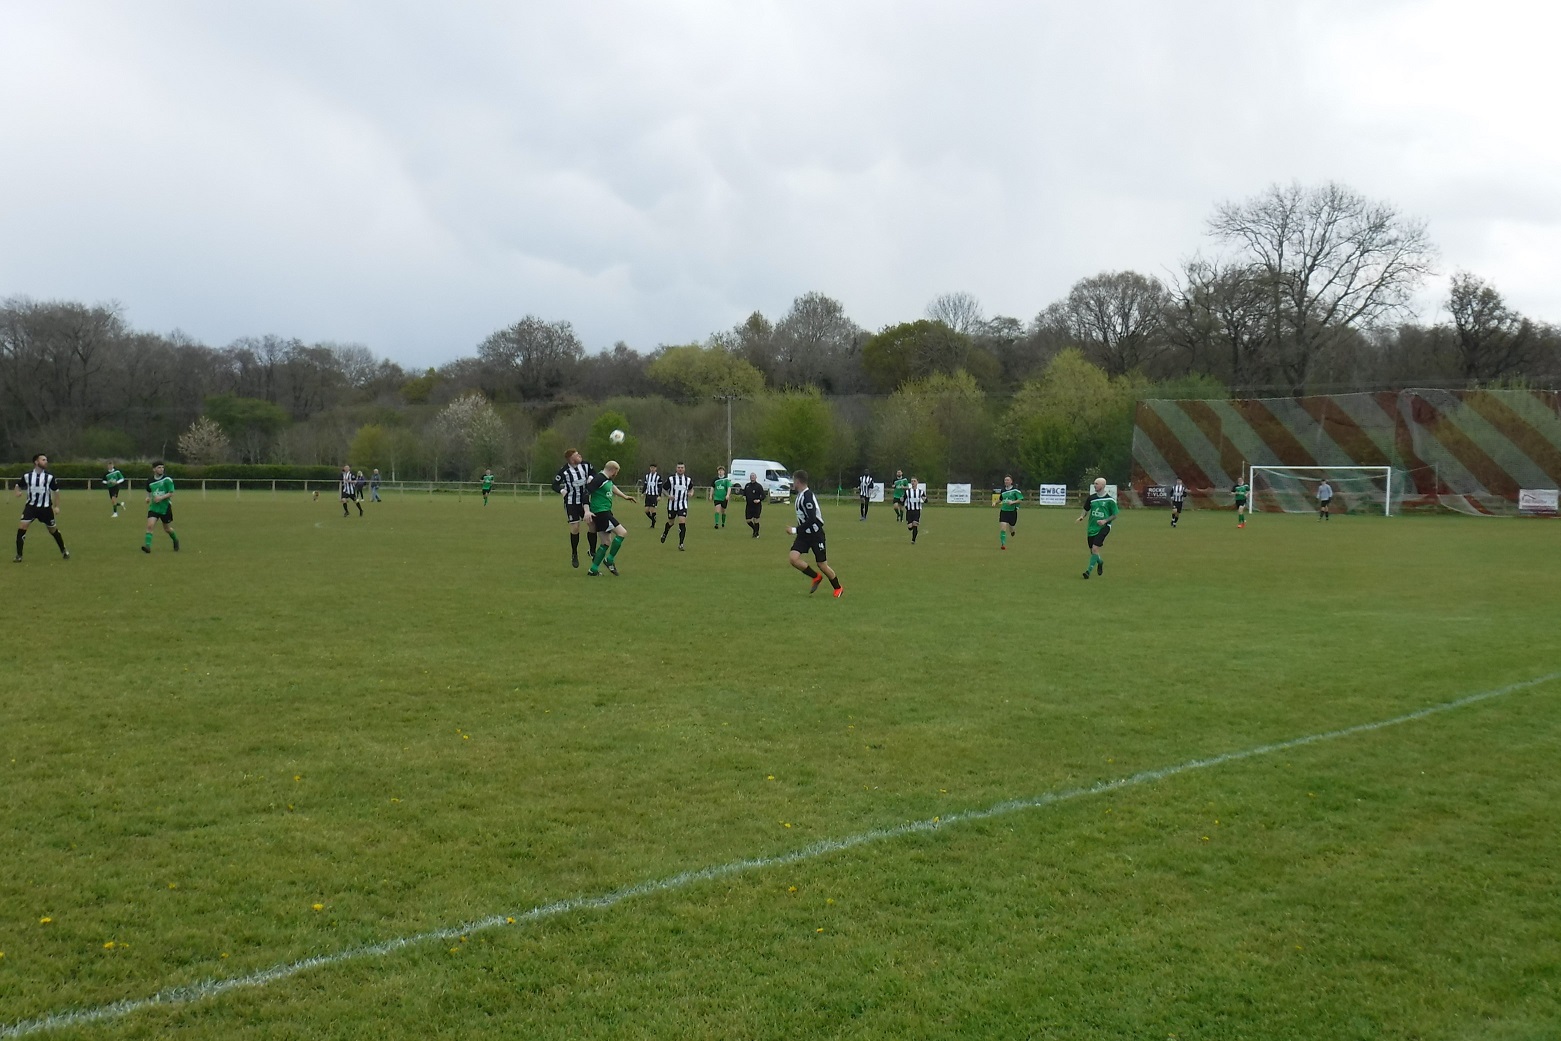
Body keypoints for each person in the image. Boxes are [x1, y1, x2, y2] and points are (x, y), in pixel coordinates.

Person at [787, 470, 842, 596]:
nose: (792, 482)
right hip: (804, 535)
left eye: (793, 480)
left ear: (798, 481)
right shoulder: (800, 495)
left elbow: (813, 519)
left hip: (816, 535)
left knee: (822, 564)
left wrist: (795, 530)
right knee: (793, 558)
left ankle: (838, 587)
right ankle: (816, 577)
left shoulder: (807, 497)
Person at [581, 460, 637, 576]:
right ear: (613, 470)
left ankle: (593, 569)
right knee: (622, 532)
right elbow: (585, 494)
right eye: (616, 472)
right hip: (601, 513)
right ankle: (609, 560)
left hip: (604, 512)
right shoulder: (598, 479)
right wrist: (587, 511)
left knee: (606, 542)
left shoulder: (606, 479)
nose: (616, 475)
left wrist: (625, 496)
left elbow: (612, 487)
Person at [14, 453, 69, 562]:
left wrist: (57, 506)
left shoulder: (49, 477)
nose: (46, 461)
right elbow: (18, 485)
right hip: (31, 507)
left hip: (46, 509)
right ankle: (19, 556)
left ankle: (63, 550)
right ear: (36, 462)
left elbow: (56, 492)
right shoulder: (27, 476)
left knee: (52, 530)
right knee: (22, 528)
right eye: (43, 460)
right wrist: (17, 492)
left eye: (46, 460)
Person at [551, 448, 596, 568]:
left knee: (592, 525)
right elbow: (554, 484)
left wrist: (591, 478)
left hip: (585, 501)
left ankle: (592, 550)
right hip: (571, 502)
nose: (580, 456)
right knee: (575, 527)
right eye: (577, 455)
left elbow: (594, 473)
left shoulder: (586, 465)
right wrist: (562, 490)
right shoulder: (564, 471)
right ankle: (574, 553)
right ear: (571, 459)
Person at [1076, 477, 1118, 579]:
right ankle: (1100, 562)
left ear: (1103, 486)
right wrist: (1082, 516)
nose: (1095, 485)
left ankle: (1088, 572)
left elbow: (1115, 515)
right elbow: (1086, 509)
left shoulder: (1110, 500)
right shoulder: (1091, 498)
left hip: (1104, 527)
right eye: (1094, 483)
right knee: (1093, 551)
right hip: (1091, 528)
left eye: (1097, 484)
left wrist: (1105, 521)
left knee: (1095, 548)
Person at [142, 460, 180, 554]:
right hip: (154, 507)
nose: (161, 469)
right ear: (154, 469)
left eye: (162, 467)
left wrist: (161, 498)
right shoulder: (150, 481)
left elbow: (171, 493)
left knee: (167, 529)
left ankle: (175, 540)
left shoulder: (167, 480)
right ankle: (148, 546)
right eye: (159, 467)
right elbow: (149, 491)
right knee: (150, 526)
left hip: (165, 507)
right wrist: (147, 497)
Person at [661, 462, 692, 550]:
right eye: (679, 467)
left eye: (682, 467)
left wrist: (691, 493)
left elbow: (691, 488)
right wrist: (668, 496)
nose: (680, 469)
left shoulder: (688, 480)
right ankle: (665, 533)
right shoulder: (671, 479)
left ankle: (681, 544)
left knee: (682, 521)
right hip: (672, 505)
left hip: (683, 504)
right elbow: (663, 489)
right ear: (676, 469)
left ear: (684, 469)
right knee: (671, 522)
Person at [996, 475, 1022, 550]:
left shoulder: (1015, 491)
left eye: (1008, 480)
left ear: (1011, 481)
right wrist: (995, 503)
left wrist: (1013, 502)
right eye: (1005, 480)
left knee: (1011, 527)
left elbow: (1020, 499)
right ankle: (1003, 544)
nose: (1006, 481)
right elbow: (1000, 499)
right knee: (1003, 528)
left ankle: (1013, 531)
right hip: (1004, 511)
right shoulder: (1003, 491)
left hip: (1012, 512)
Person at [742, 471, 766, 538]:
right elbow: (744, 494)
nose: (752, 477)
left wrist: (759, 500)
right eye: (751, 476)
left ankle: (756, 534)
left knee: (756, 520)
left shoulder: (758, 486)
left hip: (756, 506)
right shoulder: (747, 485)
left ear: (756, 477)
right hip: (749, 506)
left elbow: (763, 496)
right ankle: (755, 530)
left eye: (753, 476)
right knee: (748, 520)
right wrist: (744, 498)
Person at [903, 476, 925, 543]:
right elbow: (903, 499)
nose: (913, 482)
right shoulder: (907, 492)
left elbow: (926, 500)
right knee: (910, 527)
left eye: (914, 481)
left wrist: (925, 499)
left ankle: (913, 540)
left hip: (917, 511)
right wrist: (901, 500)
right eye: (912, 481)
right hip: (909, 511)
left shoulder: (921, 492)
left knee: (915, 525)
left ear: (917, 482)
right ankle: (911, 526)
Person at [640, 463, 662, 529]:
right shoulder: (647, 476)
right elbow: (645, 485)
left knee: (653, 510)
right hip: (648, 495)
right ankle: (653, 520)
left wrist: (659, 495)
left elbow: (660, 486)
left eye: (654, 468)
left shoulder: (658, 477)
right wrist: (643, 493)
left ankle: (653, 525)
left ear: (656, 469)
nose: (652, 469)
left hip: (654, 495)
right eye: (651, 468)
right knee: (646, 510)